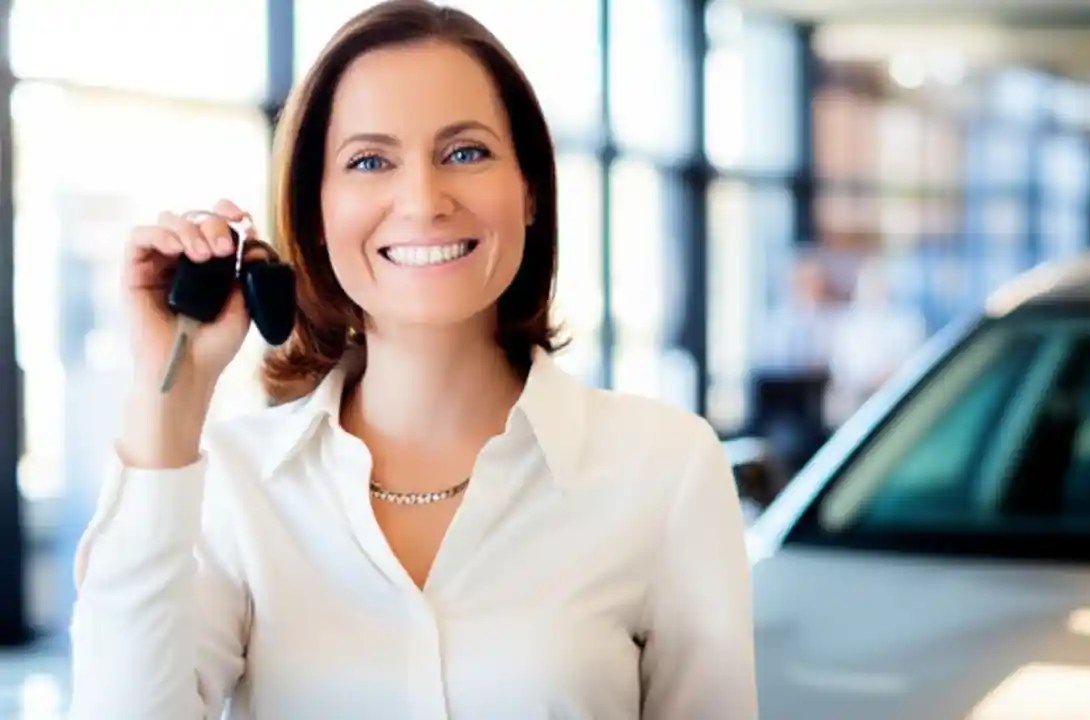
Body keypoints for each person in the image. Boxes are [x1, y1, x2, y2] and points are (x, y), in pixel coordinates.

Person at [66, 2, 757, 718]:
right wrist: (167, 394)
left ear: (529, 191)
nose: (423, 201)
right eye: (370, 161)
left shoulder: (664, 468)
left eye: (466, 152)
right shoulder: (239, 486)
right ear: (316, 212)